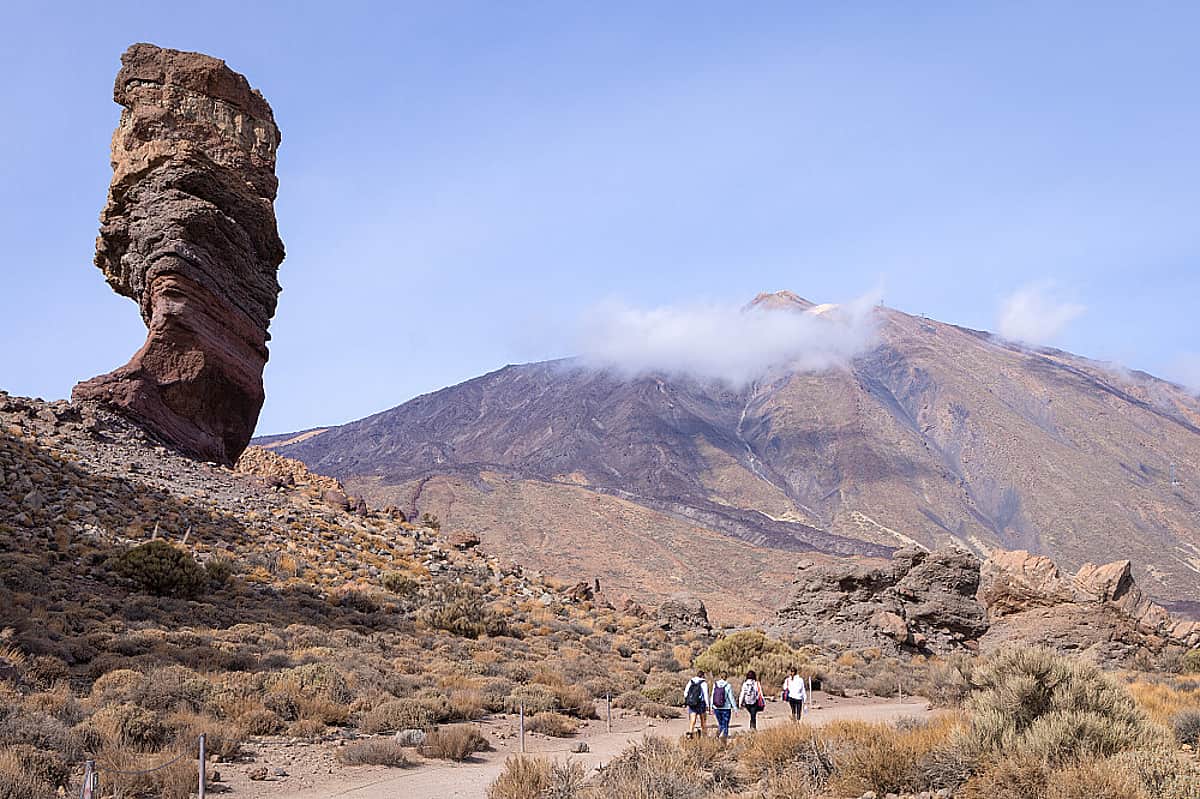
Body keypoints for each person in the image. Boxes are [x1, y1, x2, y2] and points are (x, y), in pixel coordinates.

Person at [683, 670, 711, 738]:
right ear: (703, 676)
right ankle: (704, 735)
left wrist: (688, 700)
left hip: (692, 703)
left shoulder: (691, 681)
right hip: (701, 703)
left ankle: (690, 733)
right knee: (703, 720)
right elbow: (705, 695)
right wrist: (708, 705)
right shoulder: (703, 683)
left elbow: (685, 692)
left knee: (693, 720)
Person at [711, 672, 737, 739]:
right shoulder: (728, 685)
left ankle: (716, 736)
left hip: (716, 707)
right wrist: (735, 708)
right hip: (726, 708)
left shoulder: (715, 684)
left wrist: (711, 706)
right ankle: (724, 739)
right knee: (725, 724)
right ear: (726, 677)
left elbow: (712, 696)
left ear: (720, 676)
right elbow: (731, 698)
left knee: (720, 724)